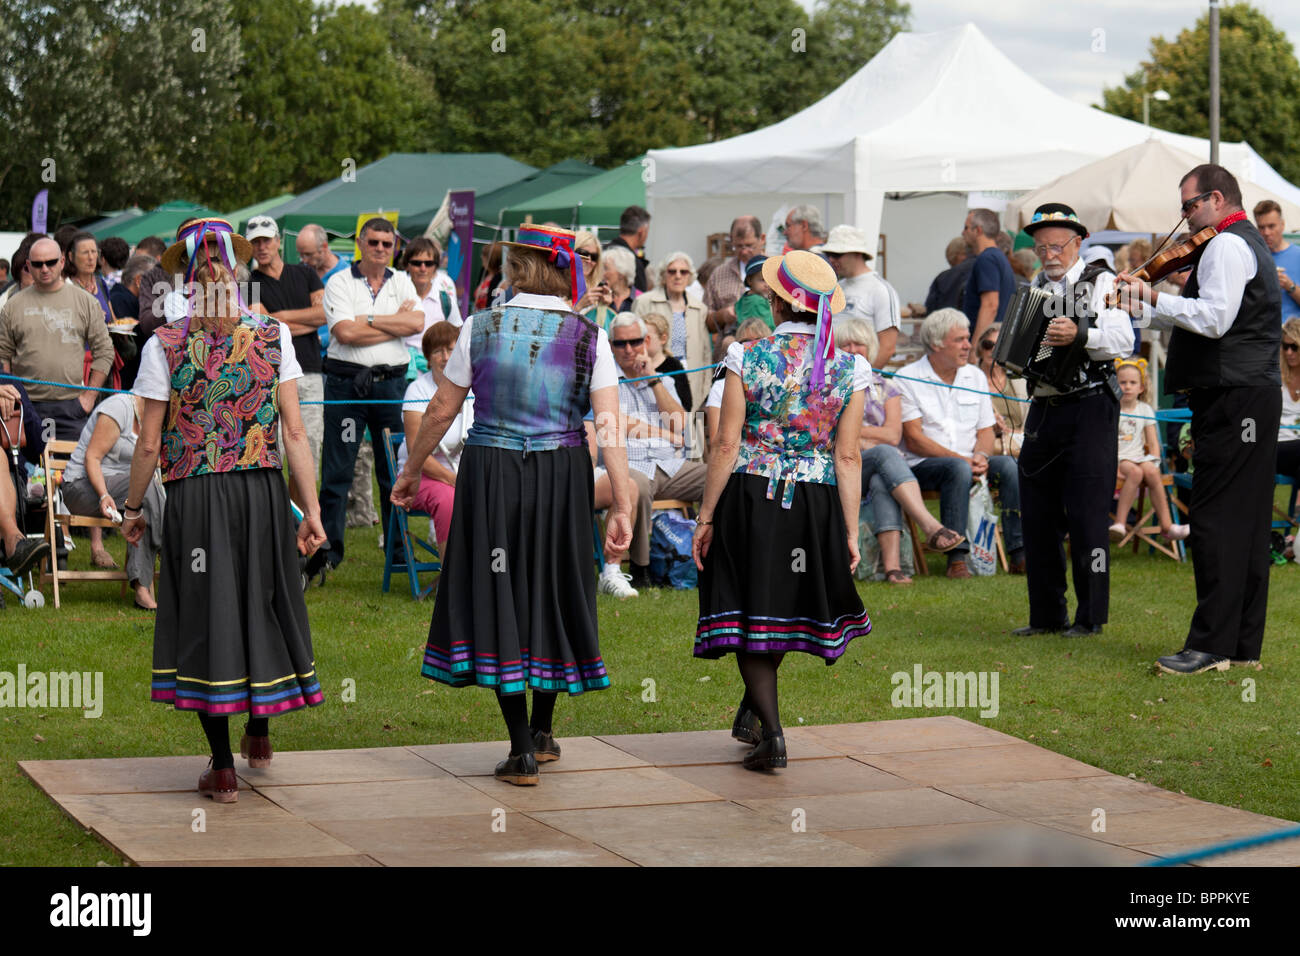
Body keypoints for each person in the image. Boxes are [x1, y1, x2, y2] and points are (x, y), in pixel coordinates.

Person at [392, 224, 633, 786]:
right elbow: (611, 425)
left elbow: (440, 412)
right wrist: (621, 500)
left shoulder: (481, 326)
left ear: (517, 265)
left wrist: (408, 472)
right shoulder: (587, 336)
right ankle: (543, 732)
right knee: (553, 585)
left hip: (494, 472)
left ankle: (522, 746)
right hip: (561, 472)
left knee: (497, 590)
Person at [123, 218, 326, 803]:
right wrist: (308, 509)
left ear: (186, 275)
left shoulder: (165, 342)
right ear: (234, 269)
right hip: (262, 493)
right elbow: (294, 432)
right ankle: (258, 728)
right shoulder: (272, 333)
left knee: (208, 613)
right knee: (262, 598)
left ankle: (222, 766)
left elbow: (148, 443)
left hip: (198, 496)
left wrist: (133, 508)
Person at [692, 250, 871, 771]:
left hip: (751, 494)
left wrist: (705, 516)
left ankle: (772, 732)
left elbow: (725, 444)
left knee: (751, 607)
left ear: (778, 300)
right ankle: (757, 709)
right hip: (814, 500)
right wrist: (849, 528)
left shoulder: (745, 356)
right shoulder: (850, 366)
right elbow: (849, 454)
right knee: (782, 602)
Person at [1116, 164, 1282, 674]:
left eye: (1188, 205)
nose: (1184, 218)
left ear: (1214, 198)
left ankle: (1209, 646)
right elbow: (1209, 314)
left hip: (1233, 398)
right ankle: (1241, 645)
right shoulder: (1240, 242)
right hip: (1250, 394)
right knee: (1248, 522)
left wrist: (1149, 295)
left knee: (1213, 519)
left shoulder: (1228, 244)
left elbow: (1214, 319)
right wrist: (1151, 306)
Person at [1008, 203, 1135, 638]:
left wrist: (1081, 335)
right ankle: (1046, 616)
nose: (1048, 254)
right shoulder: (1035, 286)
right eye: (1041, 246)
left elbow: (1123, 338)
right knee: (1038, 514)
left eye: (1057, 245)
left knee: (1086, 515)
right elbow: (1029, 349)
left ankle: (1090, 617)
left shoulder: (1101, 281)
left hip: (1091, 406)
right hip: (1044, 406)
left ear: (1077, 241)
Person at [314, 217, 423, 577]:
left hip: (391, 385)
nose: (380, 249)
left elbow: (416, 324)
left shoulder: (403, 280)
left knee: (394, 473)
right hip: (348, 385)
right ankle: (328, 552)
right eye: (373, 242)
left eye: (386, 244)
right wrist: (391, 321)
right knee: (338, 472)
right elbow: (344, 333)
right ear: (360, 242)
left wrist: (369, 319)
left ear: (394, 247)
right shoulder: (339, 281)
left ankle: (397, 551)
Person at [895, 308, 1024, 578]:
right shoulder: (907, 377)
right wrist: (965, 460)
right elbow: (914, 439)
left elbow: (986, 430)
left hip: (970, 460)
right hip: (923, 466)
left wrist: (981, 455)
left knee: (1011, 466)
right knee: (957, 468)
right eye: (960, 340)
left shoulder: (974, 376)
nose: (968, 345)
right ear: (936, 343)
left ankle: (1019, 553)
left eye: (967, 338)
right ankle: (957, 558)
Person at [836, 316, 964, 584]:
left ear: (869, 347)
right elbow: (835, 436)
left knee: (882, 479)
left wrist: (855, 434)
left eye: (858, 343)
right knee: (885, 455)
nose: (851, 349)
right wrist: (862, 438)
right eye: (844, 344)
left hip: (876, 466)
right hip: (843, 465)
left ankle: (893, 569)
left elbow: (893, 435)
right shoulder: (829, 387)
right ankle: (930, 526)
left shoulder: (886, 387)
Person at [608, 312, 708, 589]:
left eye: (635, 341)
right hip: (632, 463)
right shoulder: (606, 379)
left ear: (647, 341)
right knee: (634, 485)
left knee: (721, 477)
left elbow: (682, 424)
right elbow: (615, 423)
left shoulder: (664, 378)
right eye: (620, 344)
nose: (628, 349)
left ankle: (713, 557)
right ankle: (641, 571)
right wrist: (664, 433)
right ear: (611, 344)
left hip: (670, 467)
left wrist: (653, 378)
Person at [0, 237, 114, 445]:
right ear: (28, 266)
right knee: (30, 474)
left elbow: (105, 351)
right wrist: (10, 394)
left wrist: (88, 399)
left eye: (50, 262)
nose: (45, 269)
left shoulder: (84, 301)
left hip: (71, 406)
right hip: (27, 405)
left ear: (62, 262)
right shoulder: (13, 305)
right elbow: (3, 356)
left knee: (70, 474)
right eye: (37, 264)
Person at [60, 391, 166, 608]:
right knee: (144, 486)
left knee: (141, 504)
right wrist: (103, 494)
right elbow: (92, 457)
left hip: (127, 492)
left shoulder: (156, 421)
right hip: (82, 487)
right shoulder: (119, 408)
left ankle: (142, 589)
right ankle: (172, 553)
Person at [247, 215, 328, 475]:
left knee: (310, 448)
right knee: (275, 451)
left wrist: (280, 319)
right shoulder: (248, 282)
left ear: (278, 242)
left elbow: (325, 315)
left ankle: (304, 514)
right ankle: (280, 513)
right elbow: (263, 328)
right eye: (255, 242)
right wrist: (307, 320)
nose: (261, 247)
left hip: (311, 371)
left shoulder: (305, 273)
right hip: (271, 375)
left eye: (266, 240)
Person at [397, 322, 472, 556]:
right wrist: (455, 480)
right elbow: (415, 451)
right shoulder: (417, 391)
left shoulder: (473, 390)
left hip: (463, 472)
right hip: (420, 476)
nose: (446, 357)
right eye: (438, 351)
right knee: (449, 498)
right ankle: (453, 577)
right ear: (428, 358)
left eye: (451, 350)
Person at [1110, 358, 1188, 542]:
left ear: (1141, 388)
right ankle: (1120, 524)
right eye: (1122, 382)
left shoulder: (1144, 409)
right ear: (1115, 385)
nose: (1127, 387)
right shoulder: (1112, 409)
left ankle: (1168, 527)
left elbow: (1153, 445)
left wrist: (1152, 461)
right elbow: (1104, 443)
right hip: (1119, 459)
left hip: (1138, 457)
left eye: (1132, 383)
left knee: (1151, 470)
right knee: (1136, 472)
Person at [633, 250, 710, 411]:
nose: (678, 276)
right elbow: (634, 340)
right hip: (656, 375)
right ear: (663, 274)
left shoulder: (699, 308)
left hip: (692, 380)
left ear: (690, 276)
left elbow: (705, 353)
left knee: (692, 433)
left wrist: (705, 389)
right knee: (662, 427)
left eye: (683, 272)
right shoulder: (644, 302)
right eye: (672, 271)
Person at [819, 224, 900, 368]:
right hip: (835, 377)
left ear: (857, 253)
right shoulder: (836, 287)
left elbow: (887, 347)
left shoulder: (881, 289)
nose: (831, 260)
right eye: (829, 254)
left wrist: (865, 381)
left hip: (858, 379)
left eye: (837, 254)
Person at [0, 379, 50, 578]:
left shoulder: (11, 385)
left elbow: (41, 445)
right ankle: (14, 544)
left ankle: (14, 540)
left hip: (11, 482)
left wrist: (19, 406)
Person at [401, 237, 462, 379]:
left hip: (436, 375)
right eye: (417, 263)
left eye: (428, 264)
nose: (423, 268)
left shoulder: (445, 300)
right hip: (401, 372)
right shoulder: (395, 296)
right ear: (407, 266)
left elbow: (458, 335)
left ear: (435, 267)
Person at [705, 318, 769, 447]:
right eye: (745, 342)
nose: (752, 346)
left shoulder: (779, 382)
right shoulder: (720, 386)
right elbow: (716, 440)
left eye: (759, 340)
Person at [961, 208, 1017, 349]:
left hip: (986, 346)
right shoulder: (998, 257)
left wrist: (975, 347)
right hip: (995, 342)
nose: (963, 233)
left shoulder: (987, 259)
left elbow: (990, 305)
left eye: (966, 228)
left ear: (978, 230)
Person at [704, 216, 766, 335]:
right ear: (731, 240)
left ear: (762, 239)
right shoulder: (719, 274)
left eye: (749, 245)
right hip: (730, 346)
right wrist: (722, 316)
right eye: (738, 246)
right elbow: (705, 321)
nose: (743, 251)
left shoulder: (776, 268)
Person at [975, 324, 1028, 457]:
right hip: (988, 445)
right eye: (988, 345)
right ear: (980, 349)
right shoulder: (968, 381)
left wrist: (1014, 433)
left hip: (1019, 444)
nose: (993, 350)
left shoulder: (1020, 381)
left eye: (1000, 346)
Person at [1252, 199, 1300, 322]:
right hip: (1262, 334)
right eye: (1261, 227)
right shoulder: (1253, 257)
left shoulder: (1297, 255)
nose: (1267, 232)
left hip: (1292, 336)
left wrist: (1290, 286)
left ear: (1282, 225)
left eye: (1271, 226)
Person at [639, 312, 693, 412]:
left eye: (646, 338)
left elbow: (686, 405)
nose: (641, 341)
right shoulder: (634, 365)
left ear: (663, 339)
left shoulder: (673, 366)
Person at [1278, 318, 1300, 518]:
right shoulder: (1275, 377)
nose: (1289, 353)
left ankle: (1294, 542)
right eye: (1285, 347)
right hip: (1275, 446)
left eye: (1294, 347)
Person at [606, 205, 651, 292]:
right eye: (647, 231)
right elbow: (639, 299)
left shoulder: (602, 253)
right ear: (641, 232)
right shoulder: (634, 263)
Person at [924, 238, 973, 315]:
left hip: (944, 322)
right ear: (961, 254)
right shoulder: (978, 271)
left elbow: (930, 307)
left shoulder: (941, 278)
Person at [599, 245, 637, 315]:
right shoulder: (598, 296)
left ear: (621, 274)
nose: (601, 273)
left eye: (605, 268)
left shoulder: (639, 299)